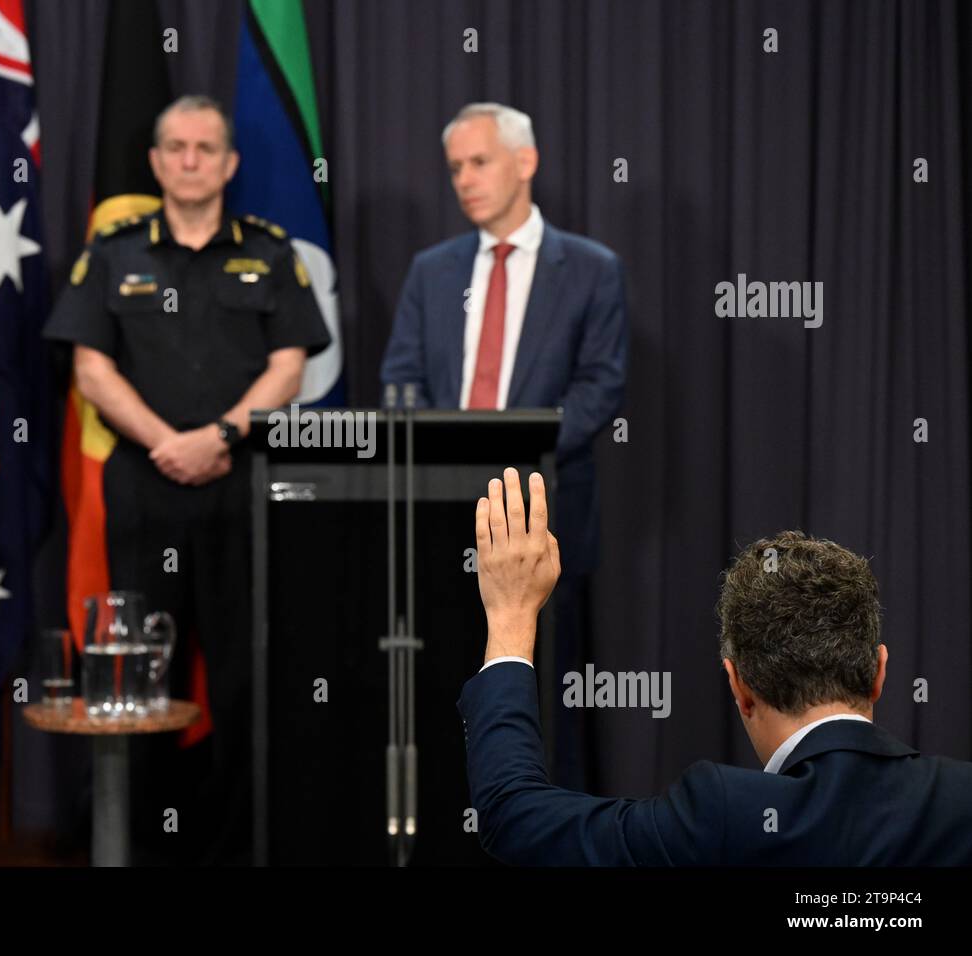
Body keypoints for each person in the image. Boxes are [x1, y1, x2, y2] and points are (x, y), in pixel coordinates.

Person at [42, 94, 331, 864]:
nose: (191, 160)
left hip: (243, 490)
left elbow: (291, 365)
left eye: (206, 148)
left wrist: (221, 435)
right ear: (156, 160)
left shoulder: (269, 251)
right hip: (143, 489)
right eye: (176, 146)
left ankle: (236, 850)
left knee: (244, 681)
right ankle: (135, 846)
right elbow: (90, 370)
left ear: (230, 164)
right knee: (134, 680)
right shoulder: (113, 251)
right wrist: (171, 441)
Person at [460, 468, 972, 865]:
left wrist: (510, 616)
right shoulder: (959, 801)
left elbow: (514, 814)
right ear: (880, 672)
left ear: (739, 687)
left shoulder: (719, 814)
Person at [380, 102, 628, 789]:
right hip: (438, 512)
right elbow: (400, 380)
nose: (464, 179)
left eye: (479, 162)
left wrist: (507, 460)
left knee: (546, 688)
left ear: (526, 162)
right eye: (455, 167)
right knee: (444, 681)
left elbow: (600, 389)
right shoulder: (432, 270)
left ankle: (550, 828)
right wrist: (448, 463)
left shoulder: (590, 268)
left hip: (546, 515)